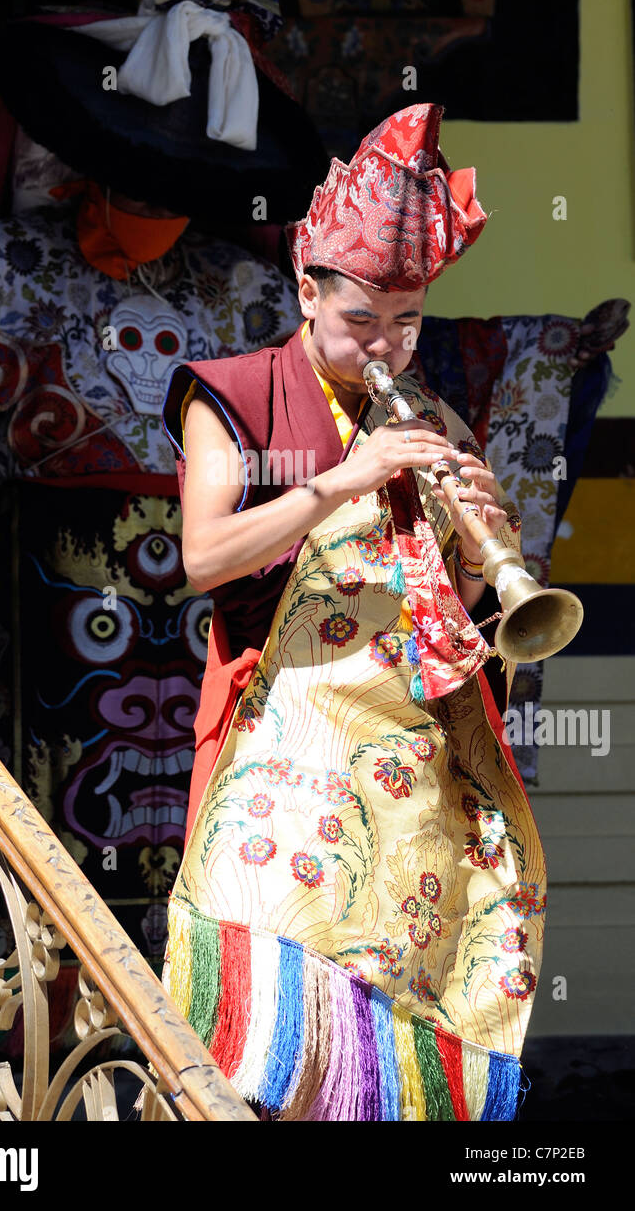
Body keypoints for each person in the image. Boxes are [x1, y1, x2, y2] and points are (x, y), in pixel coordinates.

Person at [160, 103, 547, 1122]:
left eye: (407, 321)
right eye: (361, 319)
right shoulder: (233, 395)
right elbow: (202, 558)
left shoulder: (427, 420)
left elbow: (438, 620)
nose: (385, 344)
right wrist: (342, 478)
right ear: (304, 289)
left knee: (383, 1061)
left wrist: (475, 552)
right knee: (269, 1052)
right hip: (284, 749)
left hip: (403, 761)